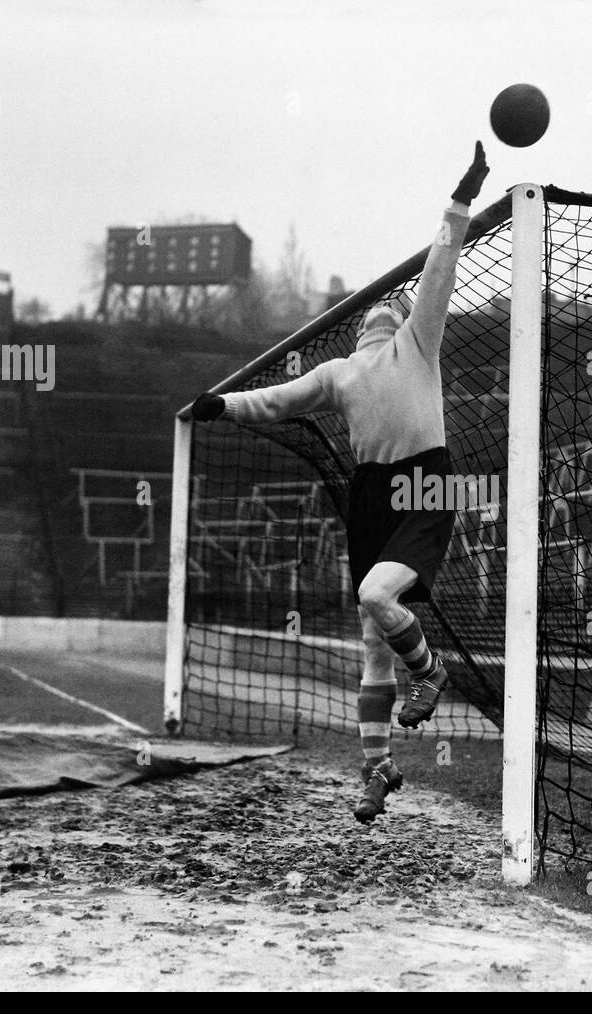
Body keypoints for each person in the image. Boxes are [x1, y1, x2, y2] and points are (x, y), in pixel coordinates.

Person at [191, 142, 489, 823]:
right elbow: (278, 401)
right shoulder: (338, 373)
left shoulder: (418, 342)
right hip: (371, 497)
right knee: (371, 637)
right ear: (360, 327)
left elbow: (441, 263)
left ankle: (432, 672)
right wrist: (226, 405)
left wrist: (461, 197)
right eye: (377, 309)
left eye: (396, 304)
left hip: (424, 486)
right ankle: (377, 768)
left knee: (375, 593)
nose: (385, 310)